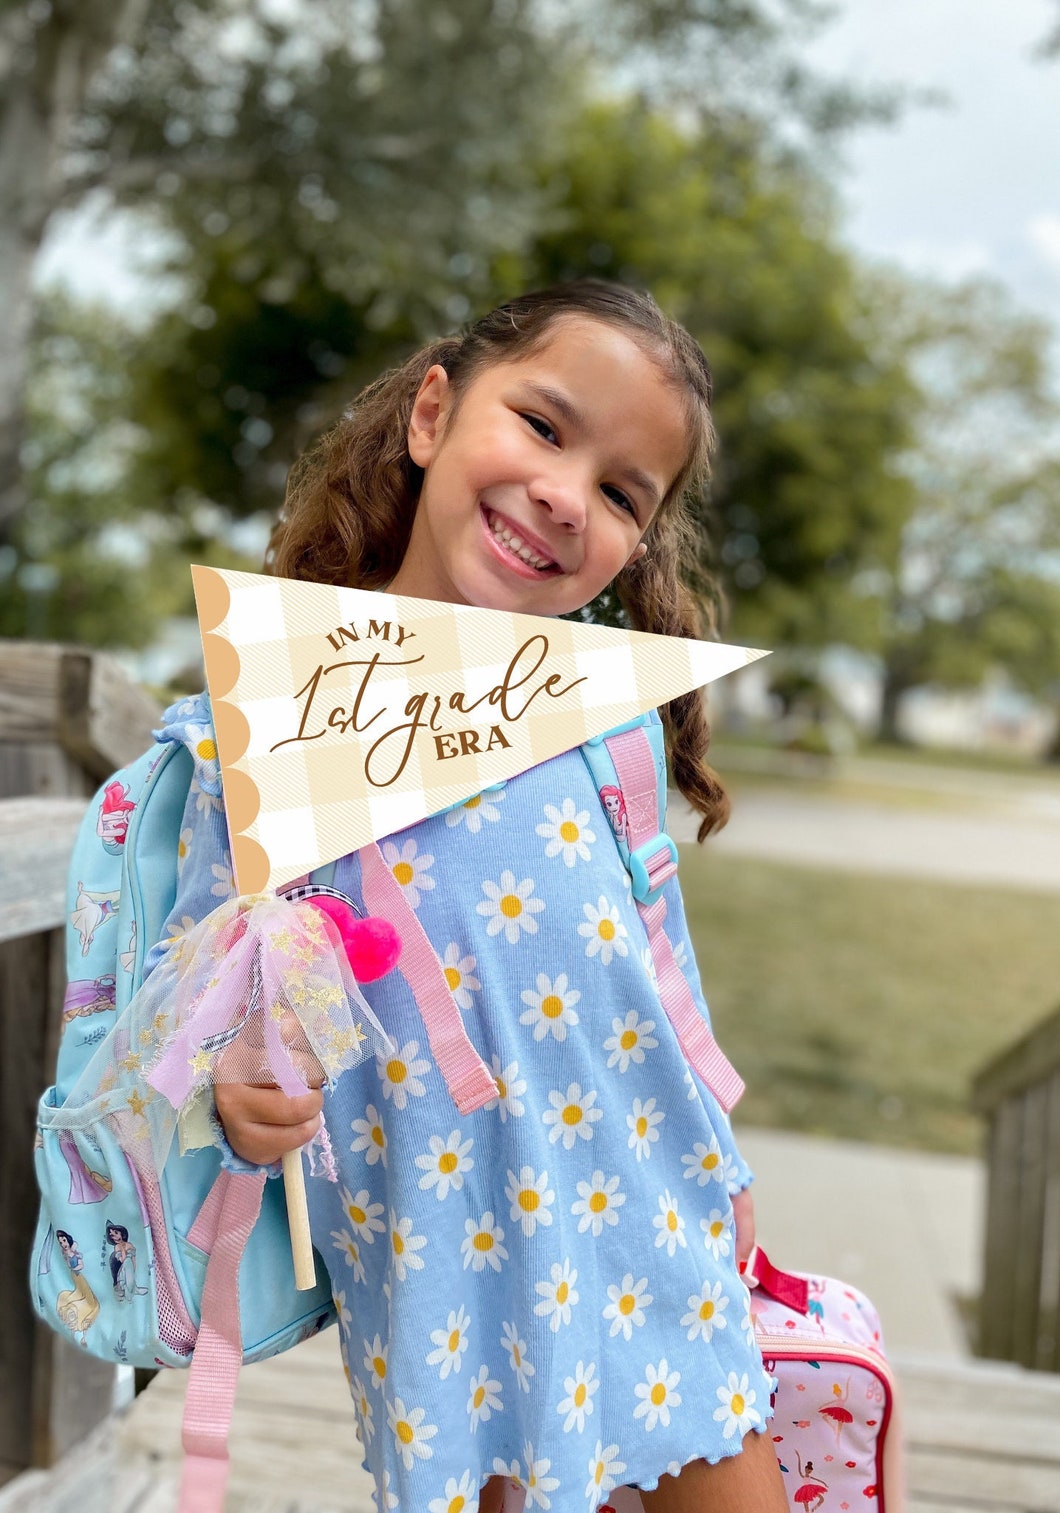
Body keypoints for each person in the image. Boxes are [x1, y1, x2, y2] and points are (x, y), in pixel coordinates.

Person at [151, 282, 787, 1512]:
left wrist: (726, 1161)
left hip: (663, 1242)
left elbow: (664, 978)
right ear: (434, 412)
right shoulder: (272, 732)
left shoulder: (612, 738)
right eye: (545, 427)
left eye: (620, 493)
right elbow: (205, 1010)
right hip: (449, 1277)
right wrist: (238, 1089)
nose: (566, 492)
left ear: (637, 545)